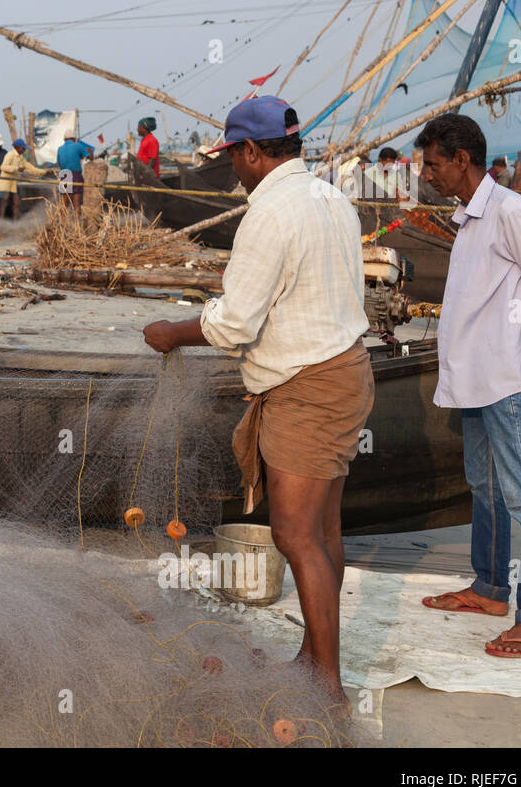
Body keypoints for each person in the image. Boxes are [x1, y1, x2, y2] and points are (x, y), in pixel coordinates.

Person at [142, 96, 373, 711]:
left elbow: (235, 323)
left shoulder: (269, 214)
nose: (232, 171)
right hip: (347, 369)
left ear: (251, 151)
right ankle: (317, 655)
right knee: (324, 530)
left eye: (233, 158)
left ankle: (327, 684)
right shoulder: (331, 199)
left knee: (296, 535)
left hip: (309, 387)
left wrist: (172, 331)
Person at [416, 116, 521, 658]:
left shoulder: (510, 211)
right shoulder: (470, 218)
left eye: (432, 163)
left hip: (504, 381)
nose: (426, 173)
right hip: (475, 381)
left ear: (461, 160)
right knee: (486, 485)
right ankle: (490, 589)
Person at [0, 137, 47, 220]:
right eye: (23, 148)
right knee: (4, 202)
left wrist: (44, 172)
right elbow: (3, 167)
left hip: (14, 183)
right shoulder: (10, 155)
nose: (24, 150)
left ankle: (15, 221)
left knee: (16, 203)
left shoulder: (21, 158)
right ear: (17, 147)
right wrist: (16, 168)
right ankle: (1, 220)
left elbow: (30, 168)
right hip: (6, 182)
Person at [55, 129, 92, 211]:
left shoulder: (60, 149)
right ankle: (77, 222)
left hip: (64, 174)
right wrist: (90, 151)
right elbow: (90, 158)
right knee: (76, 203)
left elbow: (59, 164)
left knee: (64, 203)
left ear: (64, 139)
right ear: (74, 139)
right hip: (75, 175)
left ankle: (63, 222)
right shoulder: (78, 146)